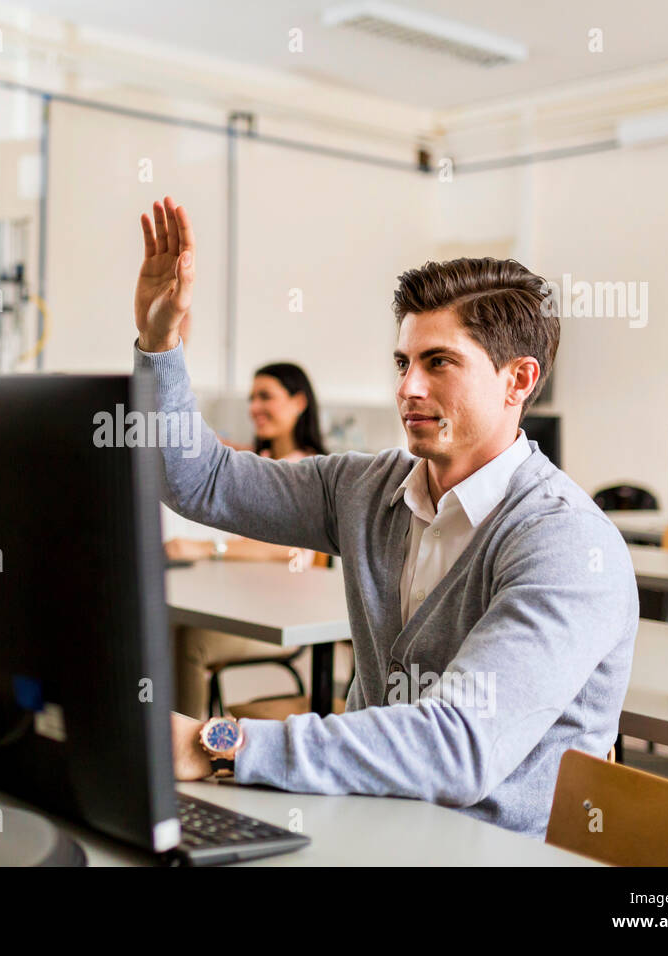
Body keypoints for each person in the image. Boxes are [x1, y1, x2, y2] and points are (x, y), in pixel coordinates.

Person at [134, 196, 637, 838]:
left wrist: (218, 743)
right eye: (403, 362)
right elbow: (198, 480)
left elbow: (457, 747)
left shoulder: (565, 541)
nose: (408, 388)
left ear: (518, 379)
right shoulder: (366, 489)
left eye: (439, 362)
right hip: (362, 823)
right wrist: (159, 341)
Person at [164, 362, 330, 717]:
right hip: (245, 604)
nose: (255, 407)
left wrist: (207, 549)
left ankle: (188, 749)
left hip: (283, 618)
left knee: (189, 642)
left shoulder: (313, 472)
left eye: (266, 396)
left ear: (299, 402)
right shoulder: (261, 463)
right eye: (252, 397)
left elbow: (288, 548)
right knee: (169, 625)